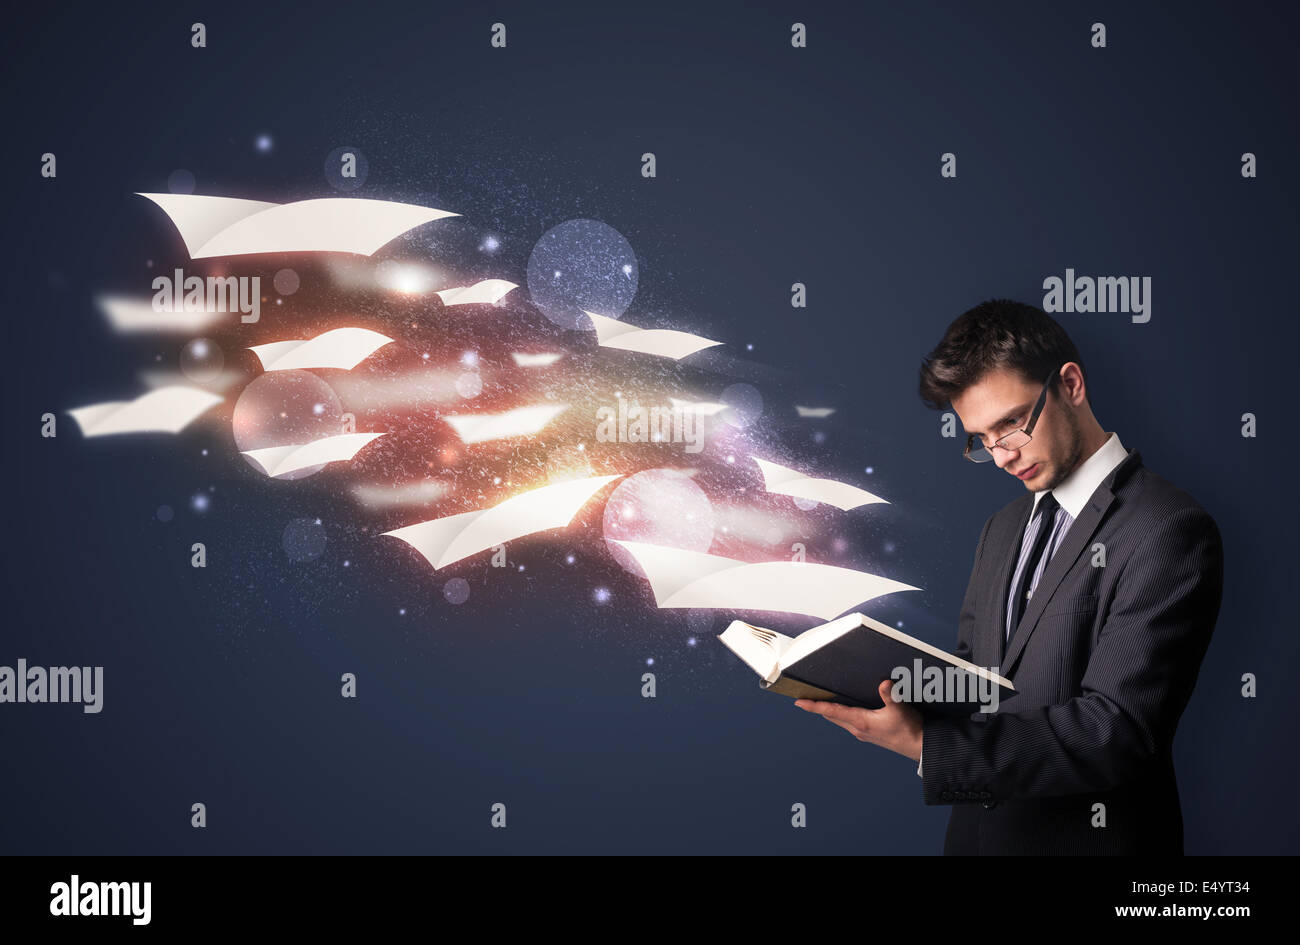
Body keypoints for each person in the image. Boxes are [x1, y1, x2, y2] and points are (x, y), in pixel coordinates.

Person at [795, 298, 1224, 854]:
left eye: (1012, 425)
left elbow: (1115, 731)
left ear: (1070, 384)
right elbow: (980, 688)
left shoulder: (1167, 527)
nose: (1000, 457)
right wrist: (887, 688)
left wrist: (928, 746)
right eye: (981, 439)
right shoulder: (1002, 527)